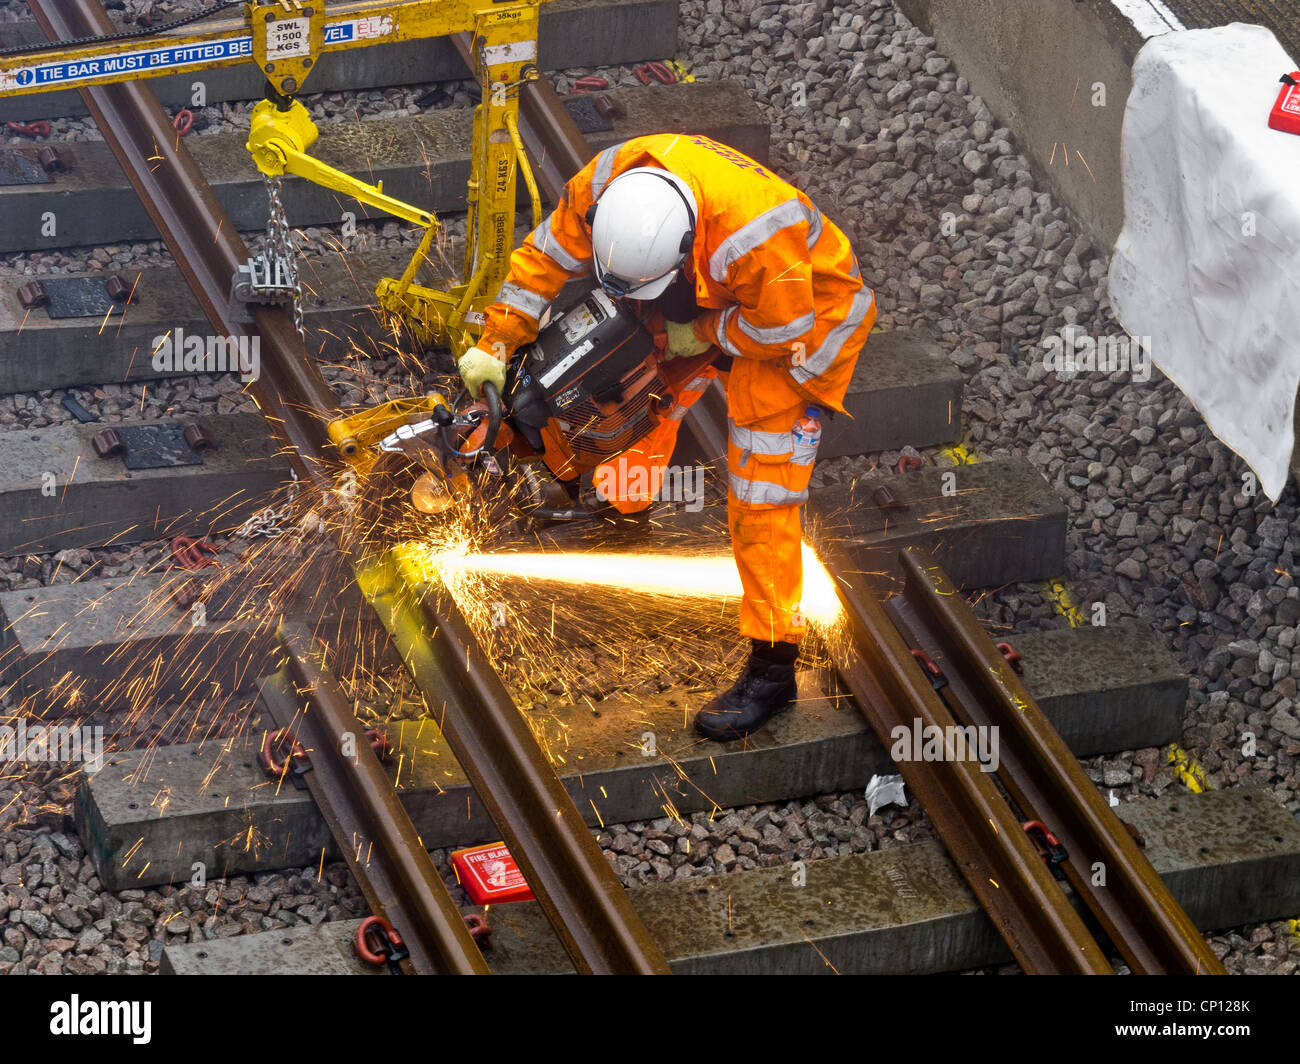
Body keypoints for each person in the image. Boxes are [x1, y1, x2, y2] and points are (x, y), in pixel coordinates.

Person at [457, 133, 876, 741]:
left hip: (801, 331)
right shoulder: (608, 182)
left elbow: (783, 327)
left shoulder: (755, 240)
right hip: (710, 299)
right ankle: (626, 508)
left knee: (763, 500)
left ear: (682, 251)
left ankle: (773, 665)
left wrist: (701, 332)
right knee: (639, 390)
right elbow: (543, 261)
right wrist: (495, 343)